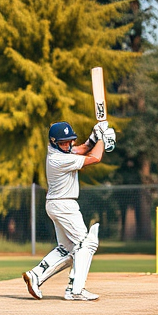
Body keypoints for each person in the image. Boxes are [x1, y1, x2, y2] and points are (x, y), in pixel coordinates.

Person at [22, 120, 115, 301]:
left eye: (69, 141)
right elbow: (95, 158)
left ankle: (35, 275)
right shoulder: (58, 159)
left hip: (58, 204)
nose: (67, 145)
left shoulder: (60, 151)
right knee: (86, 244)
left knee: (68, 249)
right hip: (64, 205)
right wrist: (103, 139)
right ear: (53, 142)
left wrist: (94, 136)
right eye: (63, 142)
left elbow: (81, 149)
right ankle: (76, 290)